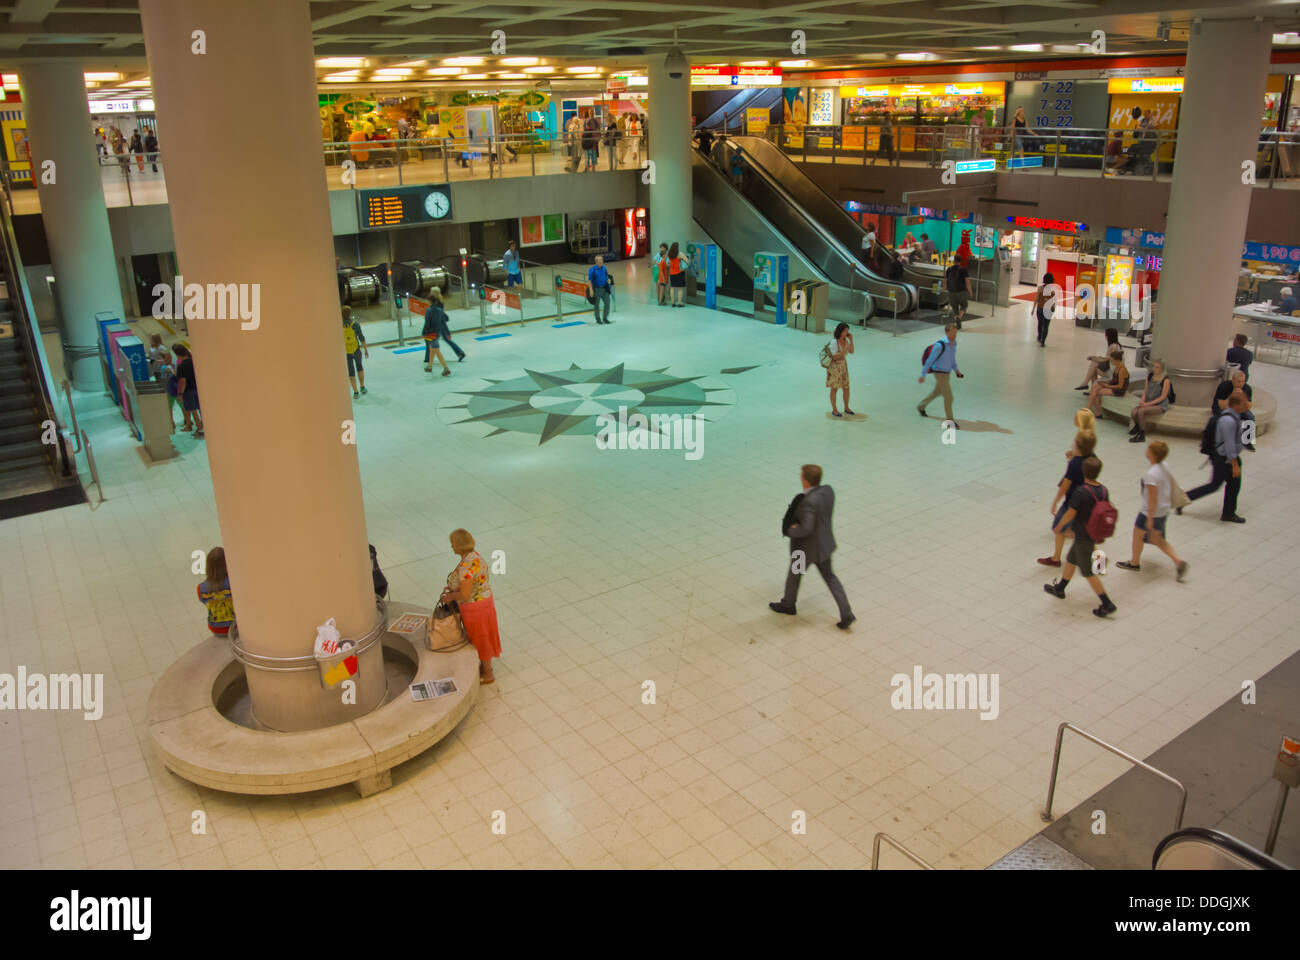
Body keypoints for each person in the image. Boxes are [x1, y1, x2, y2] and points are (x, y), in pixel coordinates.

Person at [769, 463, 855, 630]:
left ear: (806, 480)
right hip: (824, 546)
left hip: (804, 549)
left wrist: (791, 531)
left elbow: (806, 528)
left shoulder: (808, 502)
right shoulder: (828, 491)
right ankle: (846, 613)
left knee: (795, 575)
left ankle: (788, 604)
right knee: (831, 578)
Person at [1044, 455, 1118, 618]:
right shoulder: (1103, 489)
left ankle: (1106, 603)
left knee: (1087, 572)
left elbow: (1071, 513)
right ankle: (1060, 588)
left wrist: (1059, 525)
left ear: (1084, 472)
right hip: (1092, 532)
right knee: (1071, 559)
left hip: (1083, 535)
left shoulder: (1081, 491)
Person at [1116, 440, 1188, 581]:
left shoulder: (1151, 475)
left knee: (1138, 535)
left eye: (1149, 449)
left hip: (1149, 512)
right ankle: (1178, 561)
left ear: (1153, 454)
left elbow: (1152, 498)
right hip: (1164, 509)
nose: (1146, 450)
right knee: (1158, 539)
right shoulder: (1164, 466)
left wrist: (1149, 519)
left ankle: (1134, 562)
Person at [440, 528, 501, 685]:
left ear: (458, 545)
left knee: (480, 639)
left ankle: (488, 674)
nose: (451, 546)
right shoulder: (474, 556)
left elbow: (465, 595)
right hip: (485, 602)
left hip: (475, 608)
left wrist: (450, 597)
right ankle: (485, 668)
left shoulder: (466, 567)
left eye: (452, 543)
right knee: (484, 636)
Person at [1184, 391, 1249, 523]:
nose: (1247, 404)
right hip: (1224, 460)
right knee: (1213, 485)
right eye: (1244, 402)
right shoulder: (1228, 420)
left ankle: (1229, 513)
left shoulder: (1236, 416)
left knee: (1234, 486)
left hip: (1229, 458)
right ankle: (1184, 499)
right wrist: (1235, 464)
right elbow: (1230, 445)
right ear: (1237, 405)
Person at [1038, 428, 1097, 568]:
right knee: (1085, 533)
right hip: (1088, 501)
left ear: (1077, 445)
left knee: (1058, 529)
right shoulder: (1092, 458)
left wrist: (1056, 501)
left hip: (1072, 502)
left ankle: (1056, 558)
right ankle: (1099, 561)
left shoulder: (1074, 464)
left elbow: (1065, 484)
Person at [917, 321, 963, 425]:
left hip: (947, 374)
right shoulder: (940, 345)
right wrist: (923, 375)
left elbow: (952, 359)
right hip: (939, 373)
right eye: (952, 332)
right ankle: (950, 421)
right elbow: (929, 361)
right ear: (947, 333)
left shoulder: (953, 344)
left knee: (937, 392)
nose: (954, 335)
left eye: (956, 332)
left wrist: (956, 371)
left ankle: (921, 406)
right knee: (949, 397)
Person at [1128, 357, 1171, 443]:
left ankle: (1141, 435)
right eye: (1154, 366)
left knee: (1140, 411)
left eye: (1157, 367)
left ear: (1162, 368)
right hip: (1148, 401)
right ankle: (1138, 426)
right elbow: (1145, 390)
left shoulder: (1166, 380)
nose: (1154, 369)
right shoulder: (1150, 376)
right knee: (1133, 412)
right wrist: (1142, 401)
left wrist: (1148, 404)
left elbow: (1163, 397)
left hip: (1159, 405)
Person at [197, 547, 234, 636]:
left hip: (215, 628)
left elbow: (204, 602)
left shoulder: (200, 588)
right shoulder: (233, 583)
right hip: (235, 627)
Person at [1086, 344, 1128, 416]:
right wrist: (1104, 382)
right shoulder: (1117, 366)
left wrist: (1106, 386)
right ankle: (1095, 412)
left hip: (1118, 391)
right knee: (1095, 387)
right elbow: (1114, 380)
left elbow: (1120, 386)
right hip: (1113, 385)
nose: (1111, 362)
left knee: (1096, 391)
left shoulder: (1122, 370)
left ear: (1117, 360)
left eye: (1112, 361)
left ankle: (1088, 410)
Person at [172, 343, 203, 437]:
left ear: (177, 354)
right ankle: (202, 425)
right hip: (197, 388)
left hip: (188, 391)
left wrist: (180, 393)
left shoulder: (182, 366)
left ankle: (199, 428)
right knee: (200, 408)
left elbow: (182, 382)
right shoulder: (193, 361)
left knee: (193, 410)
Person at [825, 322, 855, 418]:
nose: (846, 333)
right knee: (835, 388)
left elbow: (852, 351)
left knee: (846, 388)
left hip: (843, 367)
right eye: (845, 331)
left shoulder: (846, 341)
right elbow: (833, 356)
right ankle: (834, 409)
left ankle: (846, 407)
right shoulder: (834, 342)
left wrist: (851, 340)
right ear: (840, 331)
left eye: (847, 331)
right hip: (835, 368)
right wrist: (843, 351)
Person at [426, 288, 465, 361]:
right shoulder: (439, 301)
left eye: (431, 292)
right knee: (446, 339)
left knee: (430, 340)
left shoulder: (436, 303)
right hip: (440, 324)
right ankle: (460, 353)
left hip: (436, 325)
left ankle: (427, 358)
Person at [421, 288, 452, 376]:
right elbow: (445, 319)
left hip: (430, 333)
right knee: (432, 349)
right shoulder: (439, 310)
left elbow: (427, 323)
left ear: (430, 301)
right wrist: (447, 332)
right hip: (437, 332)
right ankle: (429, 366)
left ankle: (446, 368)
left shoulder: (428, 310)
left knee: (436, 351)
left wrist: (424, 332)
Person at [342, 305, 369, 398]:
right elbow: (361, 337)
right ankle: (362, 386)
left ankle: (355, 392)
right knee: (359, 367)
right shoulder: (355, 324)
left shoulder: (339, 325)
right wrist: (365, 349)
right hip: (356, 350)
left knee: (351, 372)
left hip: (346, 351)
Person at [945, 258, 972, 327]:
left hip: (951, 291)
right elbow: (967, 282)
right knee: (964, 305)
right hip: (961, 292)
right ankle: (959, 318)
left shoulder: (949, 269)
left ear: (954, 261)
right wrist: (970, 292)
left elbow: (945, 280)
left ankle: (956, 318)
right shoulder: (963, 270)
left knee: (954, 307)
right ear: (960, 261)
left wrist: (944, 288)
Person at [587, 254, 613, 324]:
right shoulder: (592, 270)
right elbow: (589, 281)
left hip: (604, 289)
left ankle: (605, 318)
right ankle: (598, 319)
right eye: (599, 260)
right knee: (596, 304)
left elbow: (606, 276)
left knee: (607, 302)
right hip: (596, 290)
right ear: (596, 261)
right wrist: (591, 290)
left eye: (602, 260)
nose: (601, 261)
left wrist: (608, 280)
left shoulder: (604, 268)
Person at [1033, 272, 1056, 346]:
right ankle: (1043, 342)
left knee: (1040, 323)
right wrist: (1053, 309)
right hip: (1048, 310)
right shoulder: (1052, 291)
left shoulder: (1040, 288)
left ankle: (1039, 337)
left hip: (1040, 308)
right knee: (1046, 326)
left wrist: (1033, 309)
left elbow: (1036, 299)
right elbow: (1053, 302)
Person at [667, 242, 686, 307]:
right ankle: (679, 303)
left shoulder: (669, 255)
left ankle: (672, 303)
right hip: (679, 272)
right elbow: (687, 261)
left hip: (672, 273)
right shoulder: (680, 254)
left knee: (672, 287)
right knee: (680, 288)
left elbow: (668, 263)